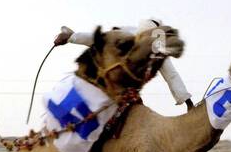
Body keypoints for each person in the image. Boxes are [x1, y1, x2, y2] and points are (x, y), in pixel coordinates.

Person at [54, 24, 192, 108]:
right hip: (103, 76)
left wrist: (186, 100)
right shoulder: (130, 36)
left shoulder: (159, 53)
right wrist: (71, 37)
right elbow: (101, 39)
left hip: (125, 90)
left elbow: (171, 75)